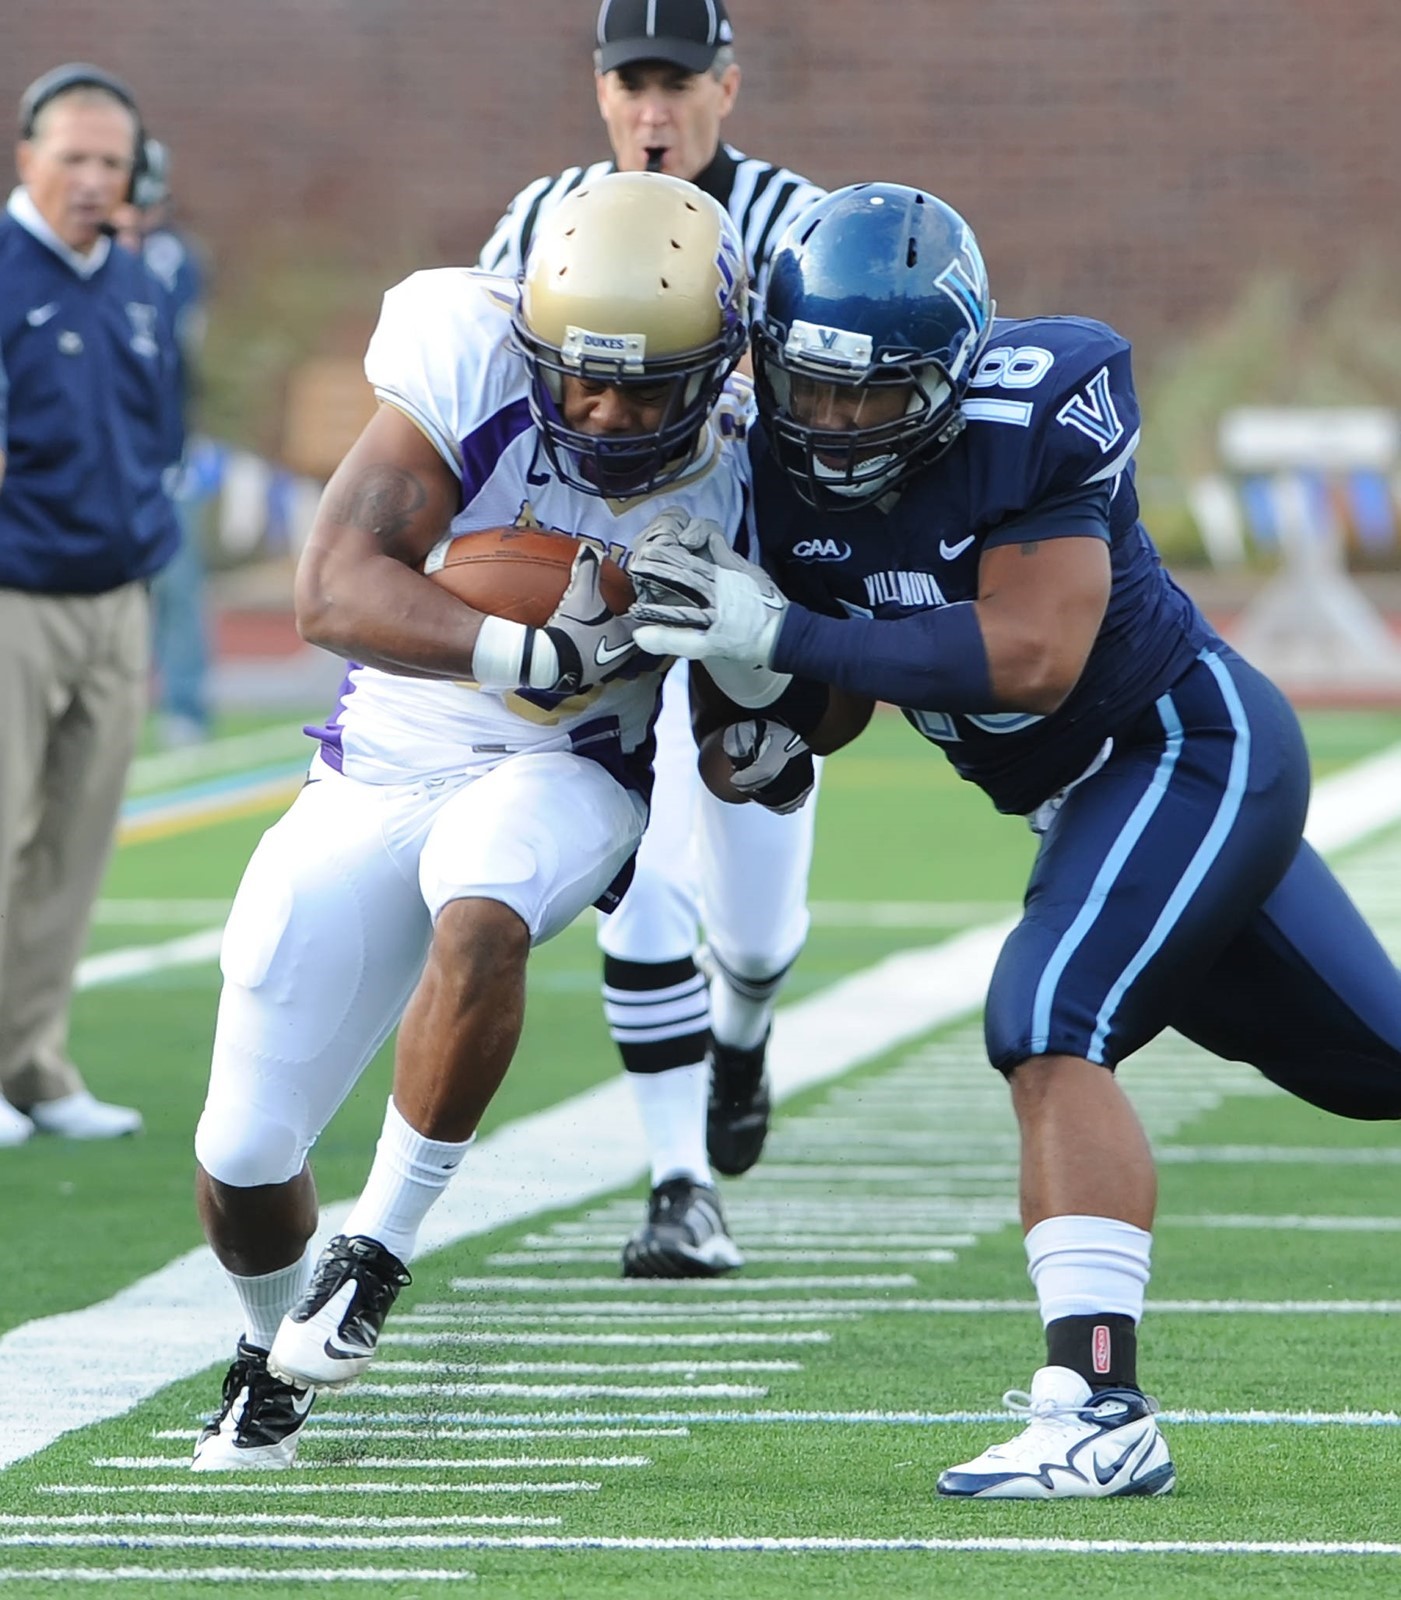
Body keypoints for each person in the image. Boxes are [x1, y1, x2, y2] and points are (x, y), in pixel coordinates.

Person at [627, 182, 1401, 1499]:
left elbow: (1032, 655)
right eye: (813, 388)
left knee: (1046, 1017)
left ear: (949, 375)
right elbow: (830, 690)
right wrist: (763, 727)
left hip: (1185, 748)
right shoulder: (758, 463)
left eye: (874, 394)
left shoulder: (1036, 404)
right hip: (1091, 802)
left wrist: (785, 632)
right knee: (1375, 1063)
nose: (836, 422)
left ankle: (1099, 1408)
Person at [189, 171, 753, 1470]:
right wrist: (525, 648)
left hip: (569, 765)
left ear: (712, 366)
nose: (604, 411)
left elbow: (764, 731)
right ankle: (266, 1356)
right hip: (386, 757)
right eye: (583, 380)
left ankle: (376, 1249)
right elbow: (331, 588)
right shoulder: (466, 352)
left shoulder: (749, 456)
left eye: (644, 390)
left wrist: (764, 708)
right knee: (242, 1147)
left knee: (485, 897)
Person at [478, 0, 828, 1278]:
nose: (653, 108)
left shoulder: (800, 225)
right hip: (604, 587)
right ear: (601, 89)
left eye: (677, 82)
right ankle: (681, 1182)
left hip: (749, 589)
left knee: (757, 926)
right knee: (642, 886)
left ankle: (745, 1028)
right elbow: (487, 394)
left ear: (726, 86)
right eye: (633, 82)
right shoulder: (544, 219)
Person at [0, 64, 182, 1145]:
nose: (91, 179)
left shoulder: (135, 280)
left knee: (74, 850)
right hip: (14, 598)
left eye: (110, 161)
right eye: (72, 157)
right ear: (27, 155)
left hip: (118, 599)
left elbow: (157, 433)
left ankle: (34, 1062)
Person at [115, 137, 213, 748]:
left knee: (177, 584)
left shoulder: (171, 260)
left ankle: (185, 705)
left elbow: (170, 356)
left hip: (165, 453)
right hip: (100, 458)